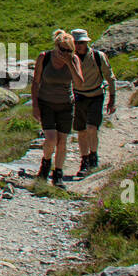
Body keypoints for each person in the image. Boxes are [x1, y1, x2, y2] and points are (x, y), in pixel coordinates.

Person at [30, 30, 85, 186]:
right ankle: (46, 163)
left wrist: (69, 63)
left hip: (66, 105)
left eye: (68, 50)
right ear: (56, 46)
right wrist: (35, 105)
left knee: (62, 141)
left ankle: (58, 174)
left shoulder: (73, 60)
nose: (65, 53)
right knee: (51, 139)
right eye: (62, 50)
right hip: (46, 103)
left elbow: (80, 83)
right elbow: (36, 82)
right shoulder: (44, 57)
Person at [70, 27, 117, 177]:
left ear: (86, 42)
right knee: (81, 130)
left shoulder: (98, 56)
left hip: (96, 95)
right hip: (79, 97)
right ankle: (84, 161)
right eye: (76, 43)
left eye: (81, 42)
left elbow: (110, 76)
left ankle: (93, 156)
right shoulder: (70, 58)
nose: (78, 46)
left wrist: (112, 98)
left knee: (92, 128)